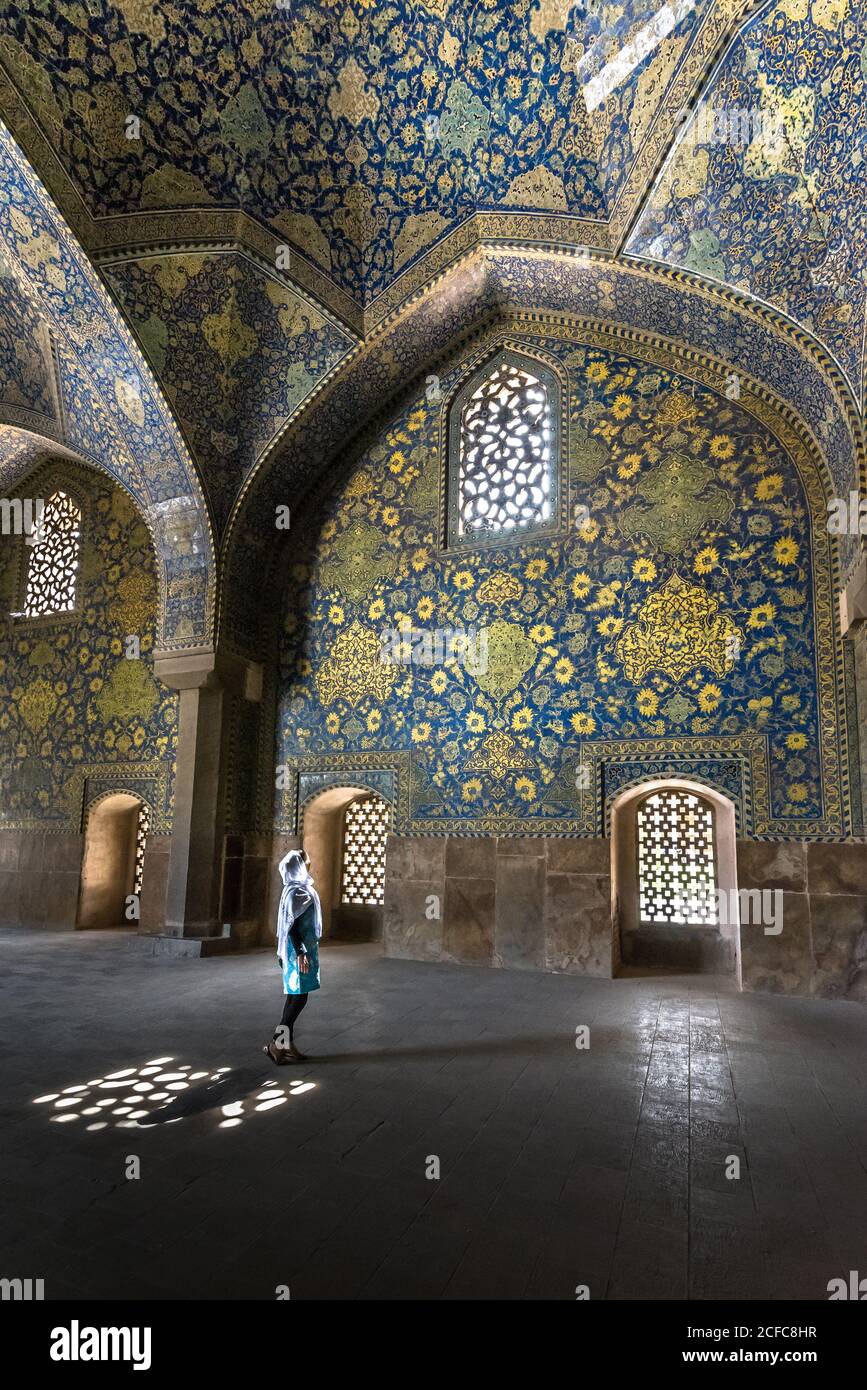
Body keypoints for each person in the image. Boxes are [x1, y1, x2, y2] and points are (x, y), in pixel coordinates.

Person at [263, 848, 322, 1065]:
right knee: (299, 997)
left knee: (293, 996)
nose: (310, 865)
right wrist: (301, 953)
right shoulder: (298, 893)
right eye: (307, 862)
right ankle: (276, 1043)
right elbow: (292, 927)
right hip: (297, 953)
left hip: (298, 951)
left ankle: (285, 1043)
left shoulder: (295, 889)